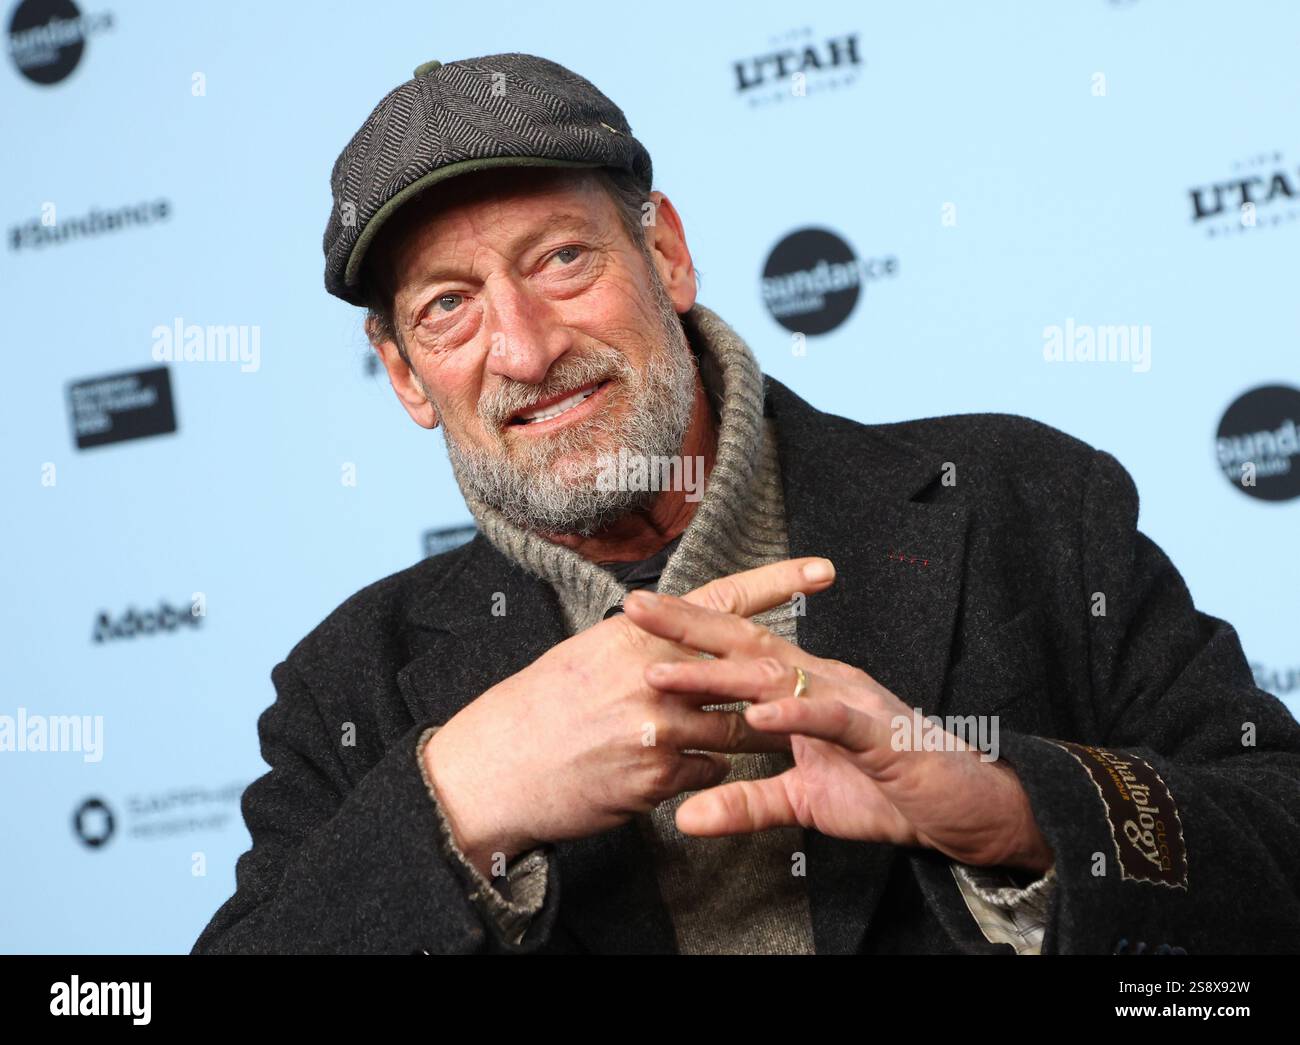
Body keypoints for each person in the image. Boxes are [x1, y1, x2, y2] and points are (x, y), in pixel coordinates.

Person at [192, 52, 1300, 955]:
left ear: (664, 253)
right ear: (403, 375)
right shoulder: (350, 684)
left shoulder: (1022, 500)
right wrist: (459, 798)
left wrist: (1016, 808)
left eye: (563, 258)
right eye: (448, 306)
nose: (524, 348)